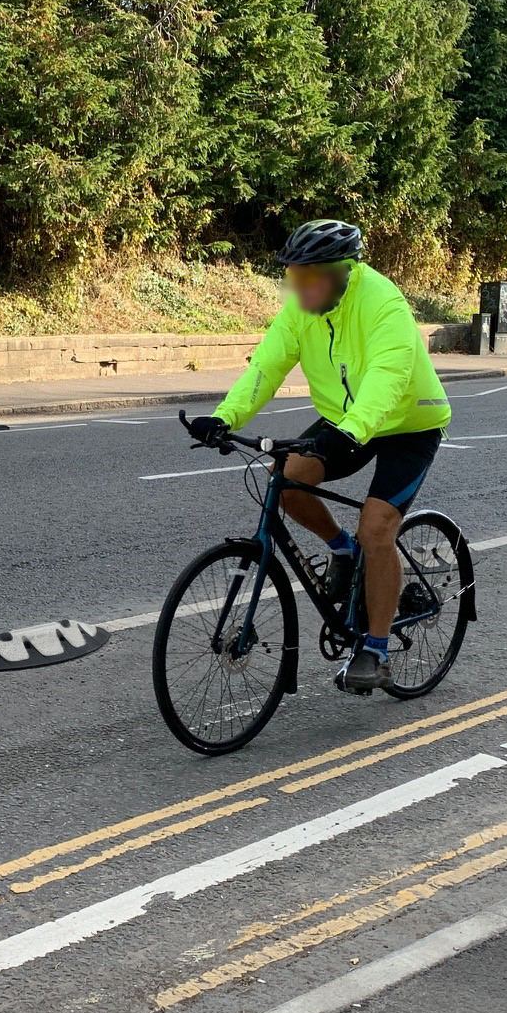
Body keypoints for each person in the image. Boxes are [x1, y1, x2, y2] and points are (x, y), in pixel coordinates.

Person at [188, 220, 451, 695]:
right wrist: (226, 418)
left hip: (408, 424)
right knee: (284, 481)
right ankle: (341, 550)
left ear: (341, 273)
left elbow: (388, 377)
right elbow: (267, 366)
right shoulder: (301, 306)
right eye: (293, 278)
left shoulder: (382, 303)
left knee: (377, 528)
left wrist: (354, 429)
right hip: (346, 419)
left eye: (308, 279)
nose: (298, 290)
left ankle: (375, 647)